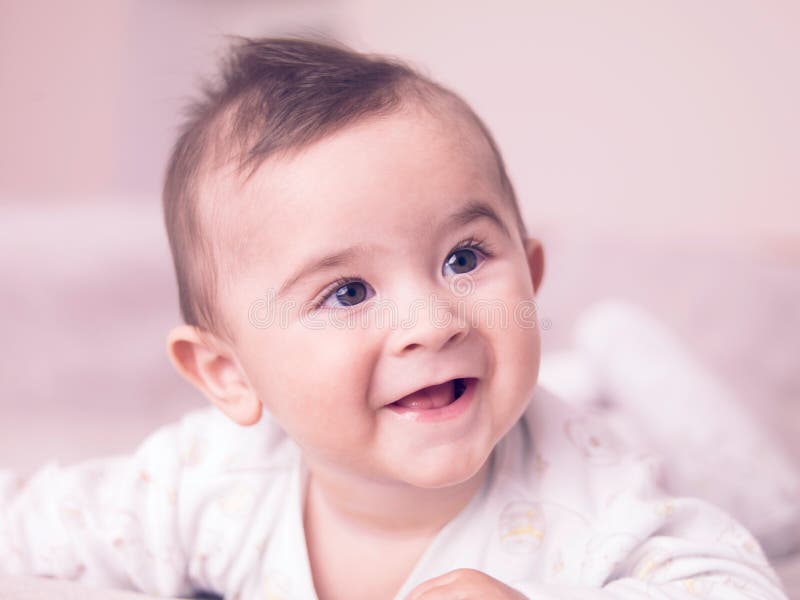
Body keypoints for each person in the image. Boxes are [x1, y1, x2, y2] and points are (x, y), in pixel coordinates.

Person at [0, 36, 789, 600]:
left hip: (628, 434)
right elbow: (37, 523)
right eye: (347, 293)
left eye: (464, 259)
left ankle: (630, 361)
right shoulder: (205, 484)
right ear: (229, 373)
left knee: (754, 500)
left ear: (531, 278)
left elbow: (734, 580)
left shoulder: (590, 494)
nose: (434, 320)